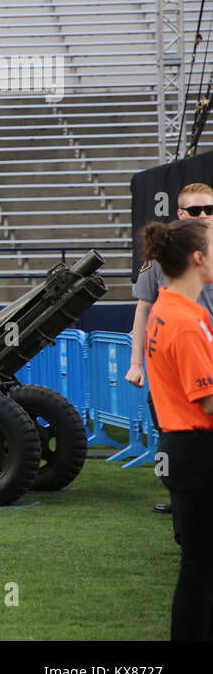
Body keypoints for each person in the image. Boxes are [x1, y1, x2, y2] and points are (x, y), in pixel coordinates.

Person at [136, 216, 213, 640]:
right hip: (196, 450)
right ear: (198, 258)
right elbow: (207, 399)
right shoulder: (184, 320)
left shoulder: (172, 308)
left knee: (200, 568)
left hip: (182, 447)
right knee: (199, 571)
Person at [126, 182, 213, 516]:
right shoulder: (162, 261)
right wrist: (136, 363)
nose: (203, 216)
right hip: (182, 363)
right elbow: (143, 308)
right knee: (176, 436)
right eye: (195, 211)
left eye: (209, 209)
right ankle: (182, 504)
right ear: (180, 214)